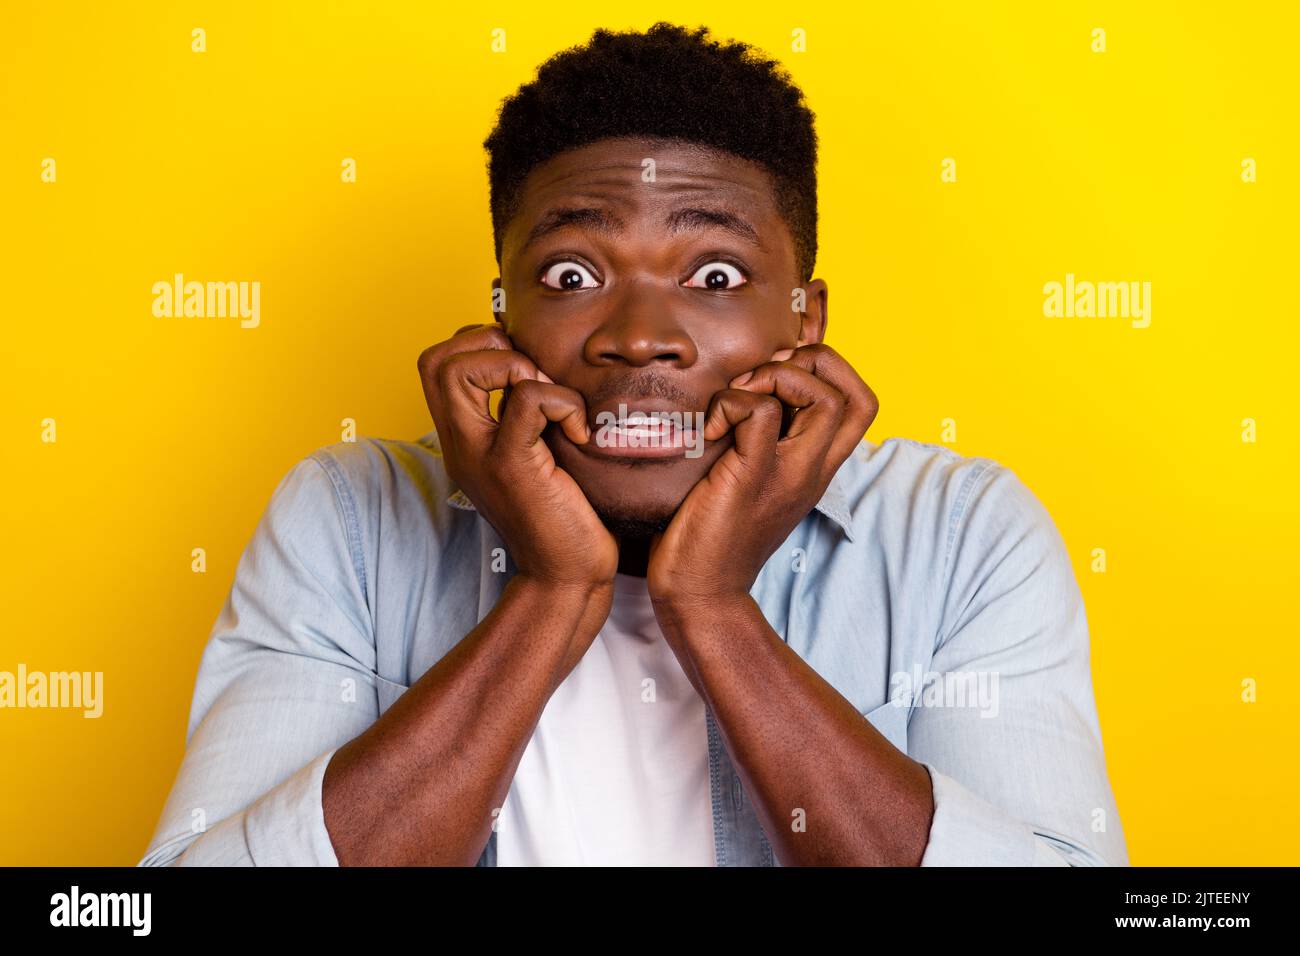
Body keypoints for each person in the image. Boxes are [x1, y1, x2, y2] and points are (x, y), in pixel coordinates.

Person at [140, 22, 1127, 867]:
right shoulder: (350, 518)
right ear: (499, 321)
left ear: (803, 323)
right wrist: (550, 590)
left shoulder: (960, 534)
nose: (637, 334)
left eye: (714, 275)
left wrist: (713, 607)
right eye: (572, 274)